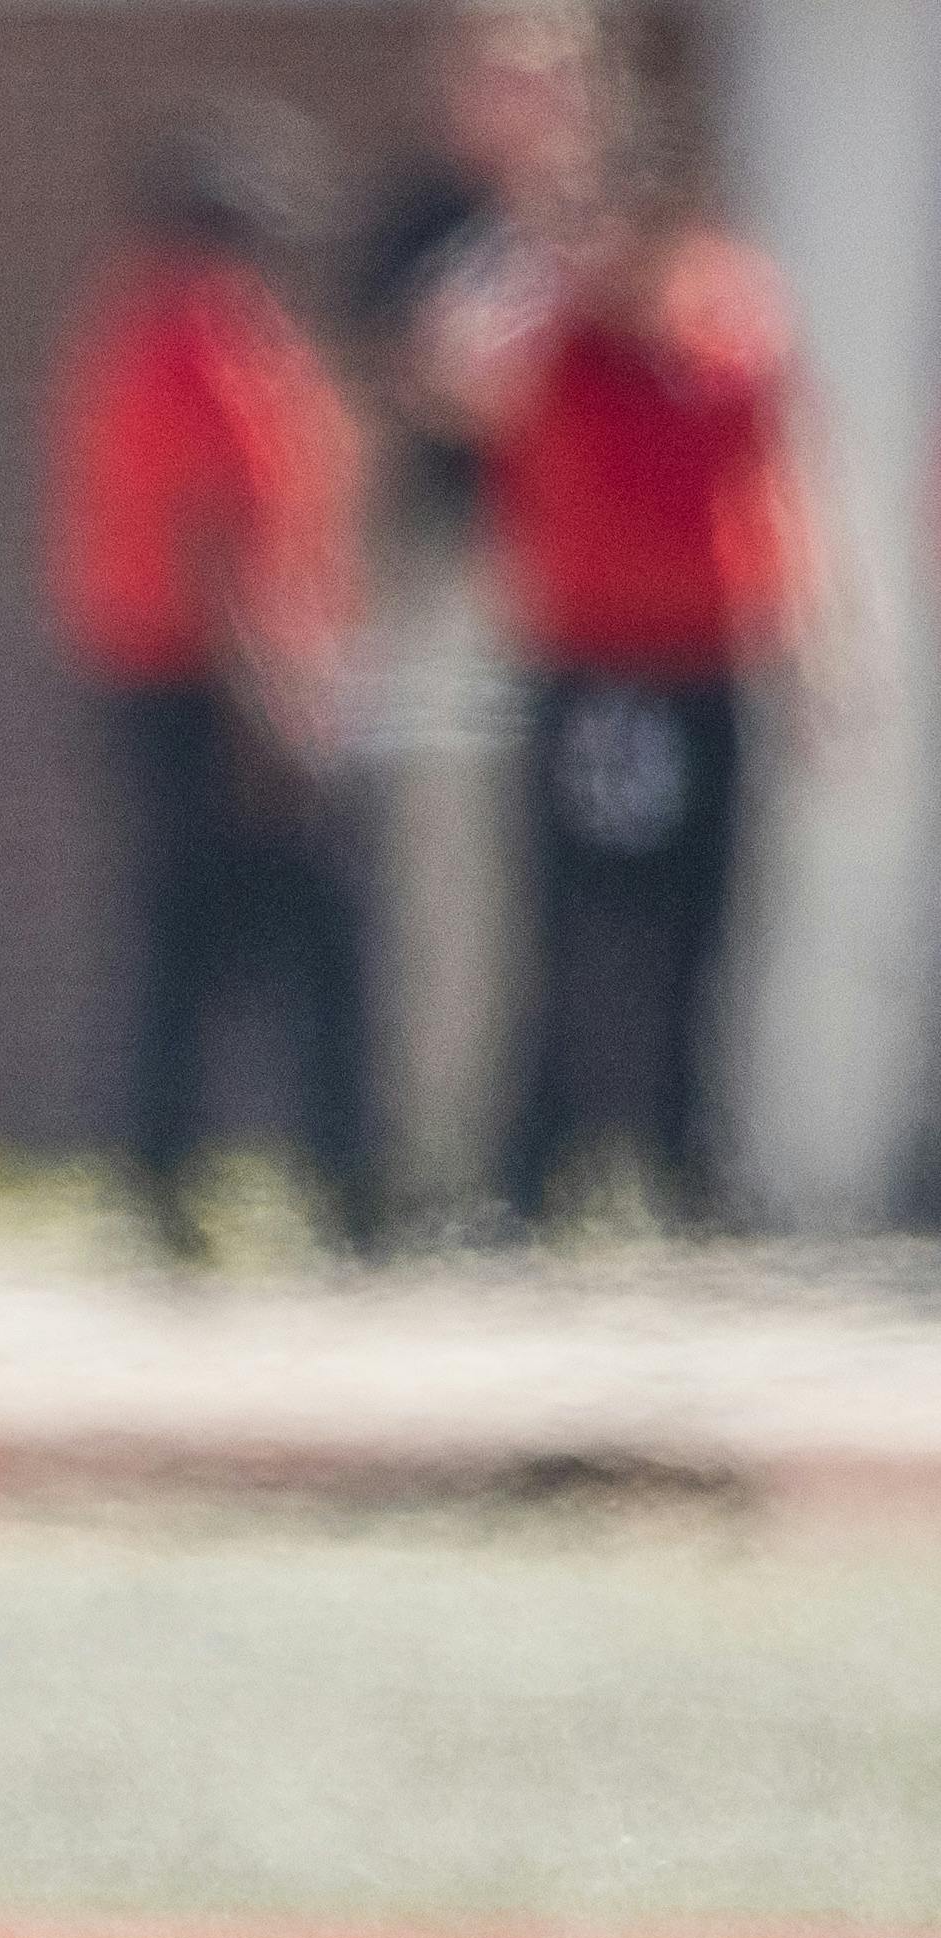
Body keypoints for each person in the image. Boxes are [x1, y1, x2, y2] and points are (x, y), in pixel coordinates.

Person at [425, 113, 827, 1240]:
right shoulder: (550, 329)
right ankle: (538, 1163)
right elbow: (452, 378)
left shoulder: (730, 325)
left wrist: (813, 648)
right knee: (573, 919)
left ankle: (689, 1160)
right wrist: (546, 263)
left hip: (708, 664)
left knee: (705, 919)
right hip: (588, 671)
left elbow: (779, 487)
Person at [49, 101, 383, 1263]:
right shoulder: (190, 334)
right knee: (306, 934)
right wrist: (277, 701)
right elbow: (210, 535)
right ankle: (331, 1186)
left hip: (210, 678)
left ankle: (175, 1183)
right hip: (212, 687)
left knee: (197, 940)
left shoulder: (208, 335)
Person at [357, 2, 608, 1220]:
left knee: (580, 886)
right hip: (462, 577)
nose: (538, 110)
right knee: (447, 877)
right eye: (510, 83)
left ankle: (556, 1162)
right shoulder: (426, 227)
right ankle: (433, 1160)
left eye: (556, 85)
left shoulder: (612, 229)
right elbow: (446, 389)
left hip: (597, 600)